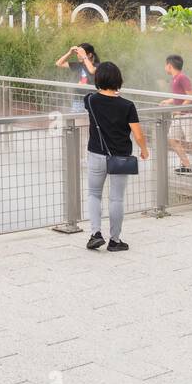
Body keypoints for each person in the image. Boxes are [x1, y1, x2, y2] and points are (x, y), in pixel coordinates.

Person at [83, 61, 148, 254]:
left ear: (98, 79)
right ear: (119, 80)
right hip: (120, 156)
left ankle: (95, 234)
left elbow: (96, 90)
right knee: (116, 199)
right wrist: (144, 150)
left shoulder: (91, 101)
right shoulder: (127, 105)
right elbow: (137, 134)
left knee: (94, 194)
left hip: (96, 153)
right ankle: (114, 240)